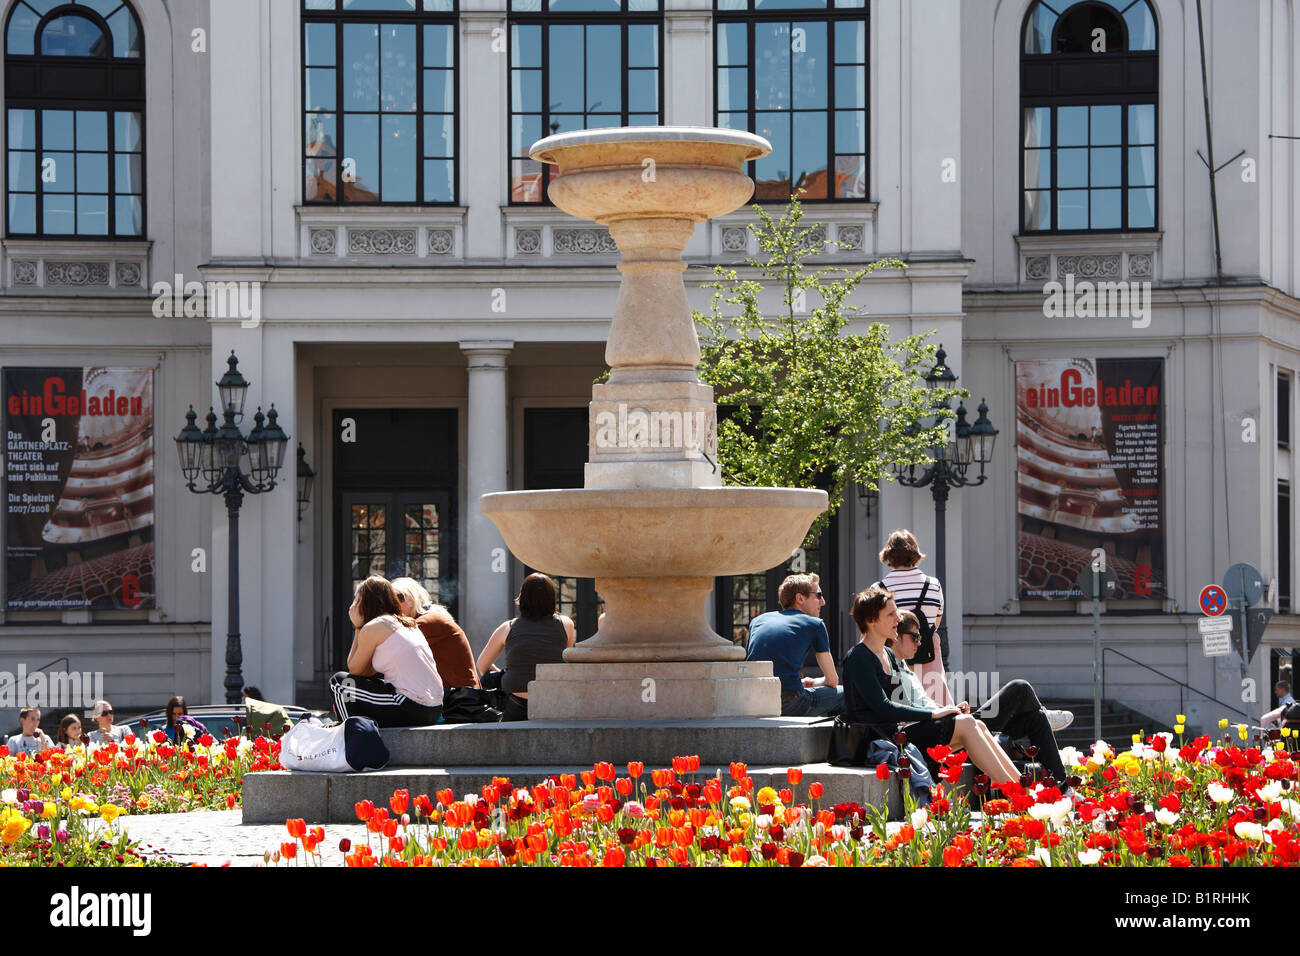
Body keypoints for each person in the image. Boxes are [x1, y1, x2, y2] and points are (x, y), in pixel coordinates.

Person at [843, 586, 1021, 786]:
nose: (897, 619)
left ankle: (1021, 786)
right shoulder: (859, 657)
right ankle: (1015, 792)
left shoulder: (888, 653)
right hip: (879, 740)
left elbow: (902, 701)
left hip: (899, 732)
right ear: (871, 620)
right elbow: (883, 707)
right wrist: (933, 715)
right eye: (890, 614)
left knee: (974, 722)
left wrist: (941, 710)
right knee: (966, 724)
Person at [894, 609, 1072, 787]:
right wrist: (942, 713)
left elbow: (923, 707)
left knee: (1036, 719)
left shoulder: (905, 669)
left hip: (952, 726)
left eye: (920, 638)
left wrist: (950, 709)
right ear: (896, 636)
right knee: (1020, 688)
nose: (919, 643)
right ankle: (1021, 790)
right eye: (915, 637)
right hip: (949, 733)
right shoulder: (891, 667)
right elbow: (901, 713)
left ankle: (1060, 786)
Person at [329, 575, 444, 727]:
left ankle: (350, 730)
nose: (353, 605)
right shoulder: (407, 622)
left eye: (357, 599)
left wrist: (358, 627)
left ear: (365, 603)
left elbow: (354, 670)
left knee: (340, 682)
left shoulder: (375, 626)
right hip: (434, 708)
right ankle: (360, 725)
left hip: (412, 706)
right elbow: (365, 673)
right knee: (360, 683)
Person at [477, 573, 575, 722]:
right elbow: (565, 662)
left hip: (515, 701)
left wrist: (503, 674)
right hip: (553, 700)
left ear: (522, 598)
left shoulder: (507, 627)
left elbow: (482, 665)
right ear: (551, 598)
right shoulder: (566, 624)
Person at [744, 573, 841, 717]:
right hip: (789, 701)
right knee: (844, 694)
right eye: (818, 595)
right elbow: (832, 681)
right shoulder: (815, 624)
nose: (823, 602)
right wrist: (814, 682)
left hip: (751, 701)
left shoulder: (758, 621)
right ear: (800, 598)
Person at [878, 529, 951, 707]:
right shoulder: (933, 585)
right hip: (927, 654)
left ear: (888, 555)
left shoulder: (880, 588)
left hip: (893, 657)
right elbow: (936, 622)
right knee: (937, 708)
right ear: (915, 554)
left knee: (900, 708)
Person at [390, 577, 479, 691]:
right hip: (453, 695)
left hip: (458, 700)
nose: (393, 604)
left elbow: (392, 648)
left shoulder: (429, 621)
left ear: (413, 598)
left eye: (399, 597)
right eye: (390, 600)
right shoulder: (428, 617)